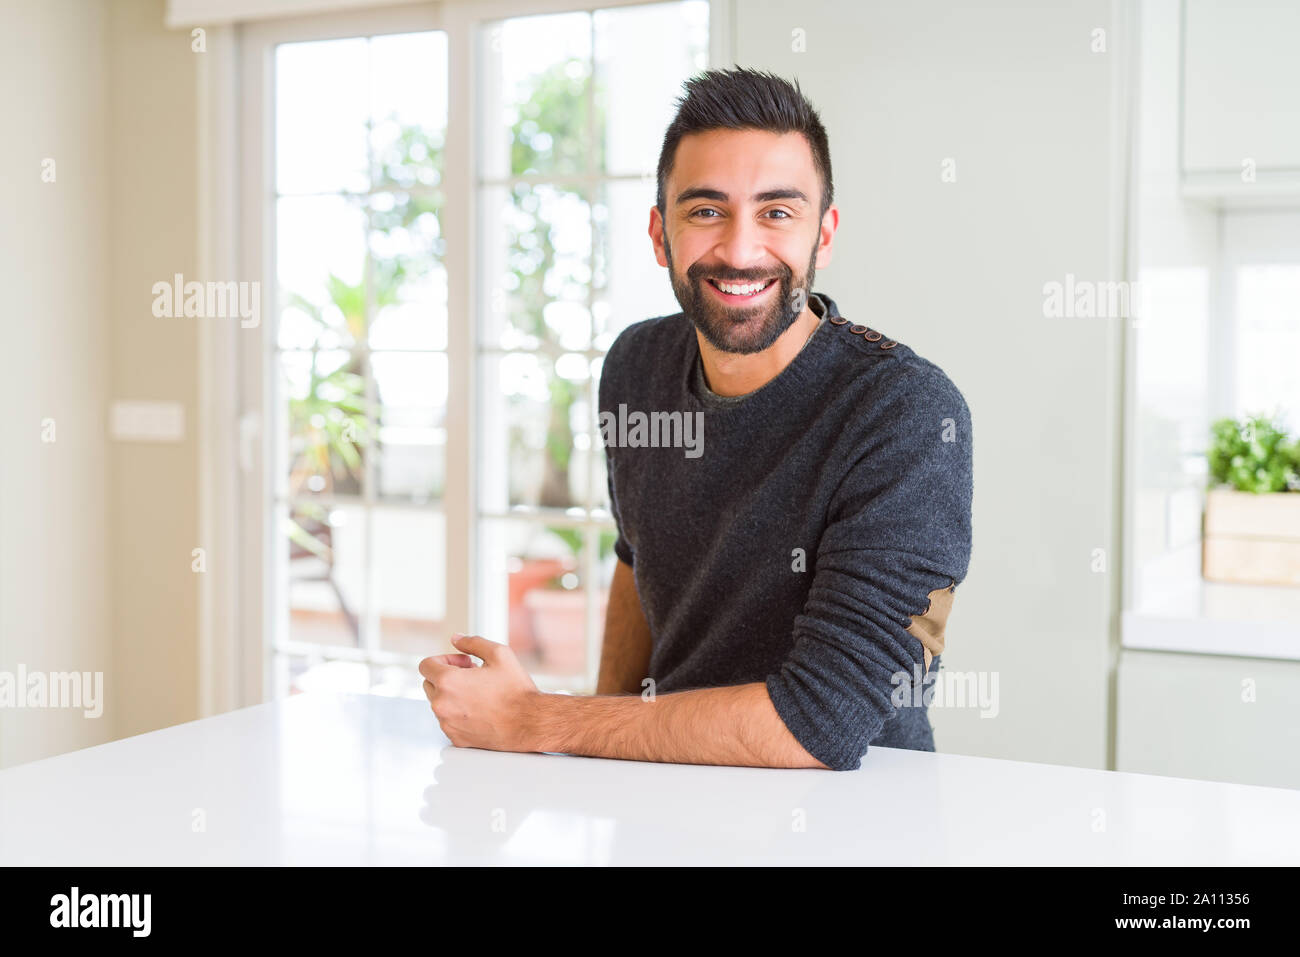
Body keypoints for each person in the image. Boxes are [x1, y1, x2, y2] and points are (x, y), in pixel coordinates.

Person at [421, 67, 973, 771]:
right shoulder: (636, 365)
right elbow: (635, 557)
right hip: (666, 798)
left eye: (777, 212)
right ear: (661, 234)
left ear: (823, 235)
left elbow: (820, 723)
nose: (741, 251)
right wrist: (591, 752)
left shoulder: (906, 413)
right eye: (706, 211)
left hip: (850, 820)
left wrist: (536, 719)